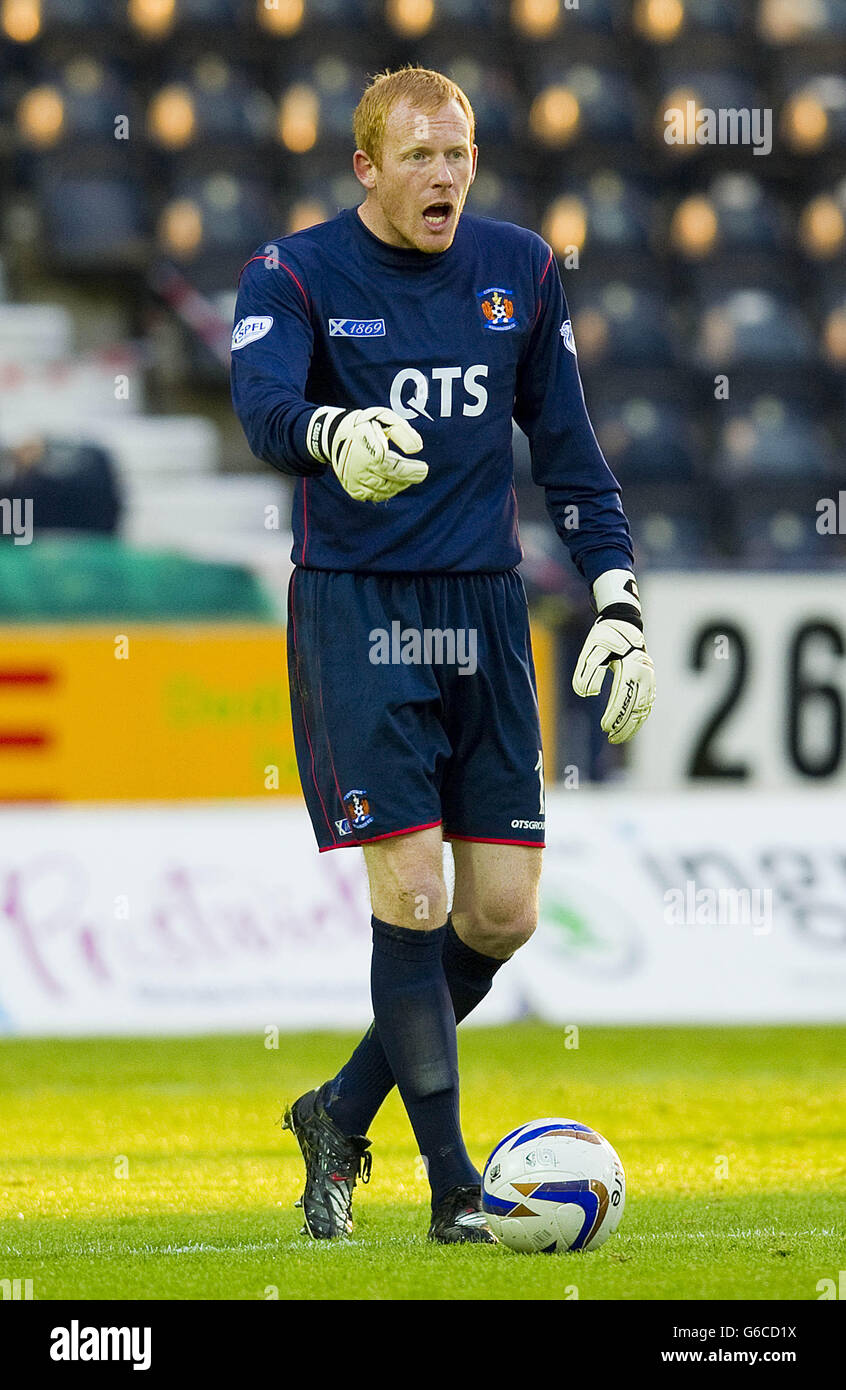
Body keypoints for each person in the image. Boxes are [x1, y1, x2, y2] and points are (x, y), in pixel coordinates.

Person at [230, 66, 655, 1244]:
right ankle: (454, 1188)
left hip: (485, 608)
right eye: (419, 156)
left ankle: (336, 1110)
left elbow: (570, 450)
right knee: (413, 891)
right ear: (366, 166)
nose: (445, 177)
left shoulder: (520, 268)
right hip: (358, 608)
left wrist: (617, 599)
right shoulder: (294, 271)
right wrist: (330, 429)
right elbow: (261, 404)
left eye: (458, 155)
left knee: (502, 916)